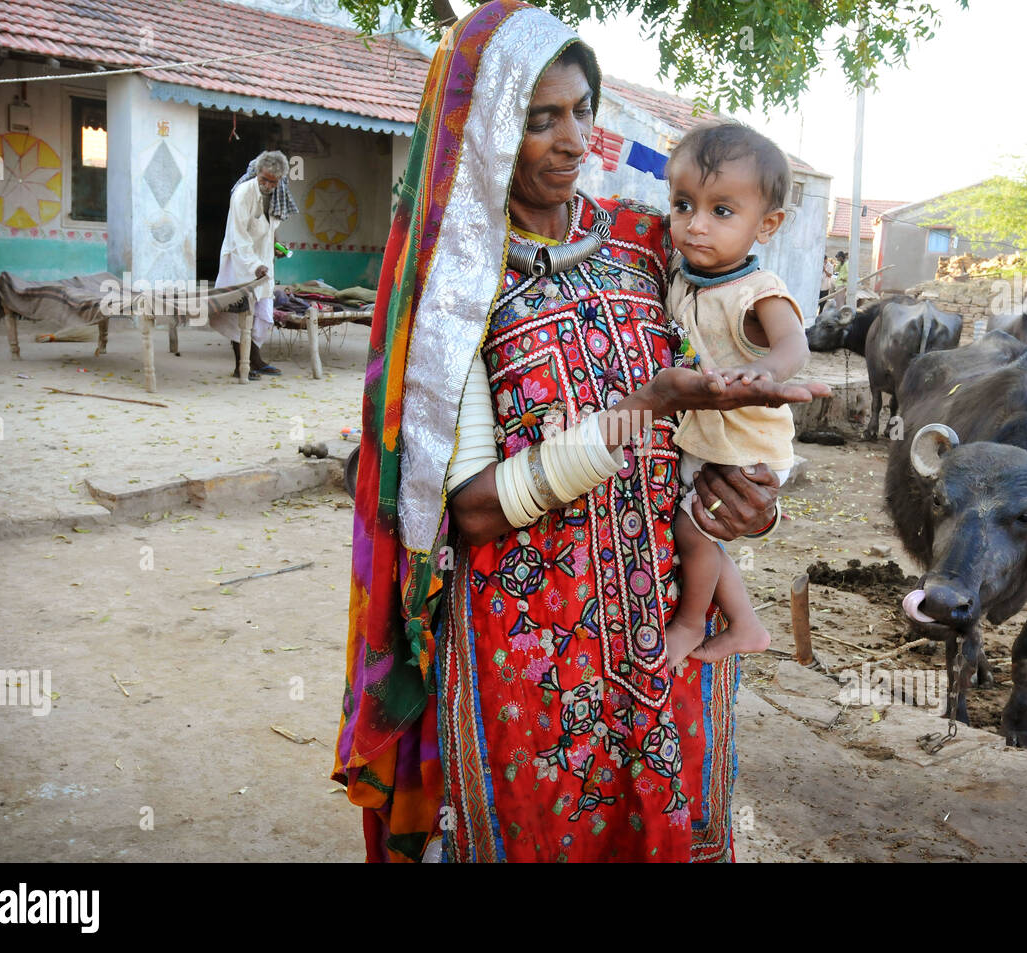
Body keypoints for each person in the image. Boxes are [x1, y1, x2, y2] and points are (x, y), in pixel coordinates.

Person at [332, 0, 823, 863]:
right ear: (485, 129)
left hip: (663, 640)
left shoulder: (646, 248)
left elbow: (732, 397)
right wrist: (644, 409)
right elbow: (472, 511)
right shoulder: (455, 295)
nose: (573, 141)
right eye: (539, 119)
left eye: (583, 112)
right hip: (531, 661)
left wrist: (753, 505)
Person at [660, 123, 812, 672]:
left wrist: (763, 373)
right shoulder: (683, 276)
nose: (695, 225)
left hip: (749, 443)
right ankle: (745, 623)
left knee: (693, 527)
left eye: (722, 211)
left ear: (766, 225)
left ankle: (690, 620)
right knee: (702, 525)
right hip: (709, 437)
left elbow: (794, 344)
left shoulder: (758, 290)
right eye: (682, 205)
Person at [209, 150, 297, 379]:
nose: (267, 185)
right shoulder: (242, 194)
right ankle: (242, 365)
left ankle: (256, 360)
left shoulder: (278, 193)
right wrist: (254, 265)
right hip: (239, 260)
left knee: (262, 312)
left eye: (272, 181)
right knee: (240, 314)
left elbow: (268, 229)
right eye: (264, 179)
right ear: (257, 174)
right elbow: (239, 236)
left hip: (263, 261)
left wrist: (275, 246)